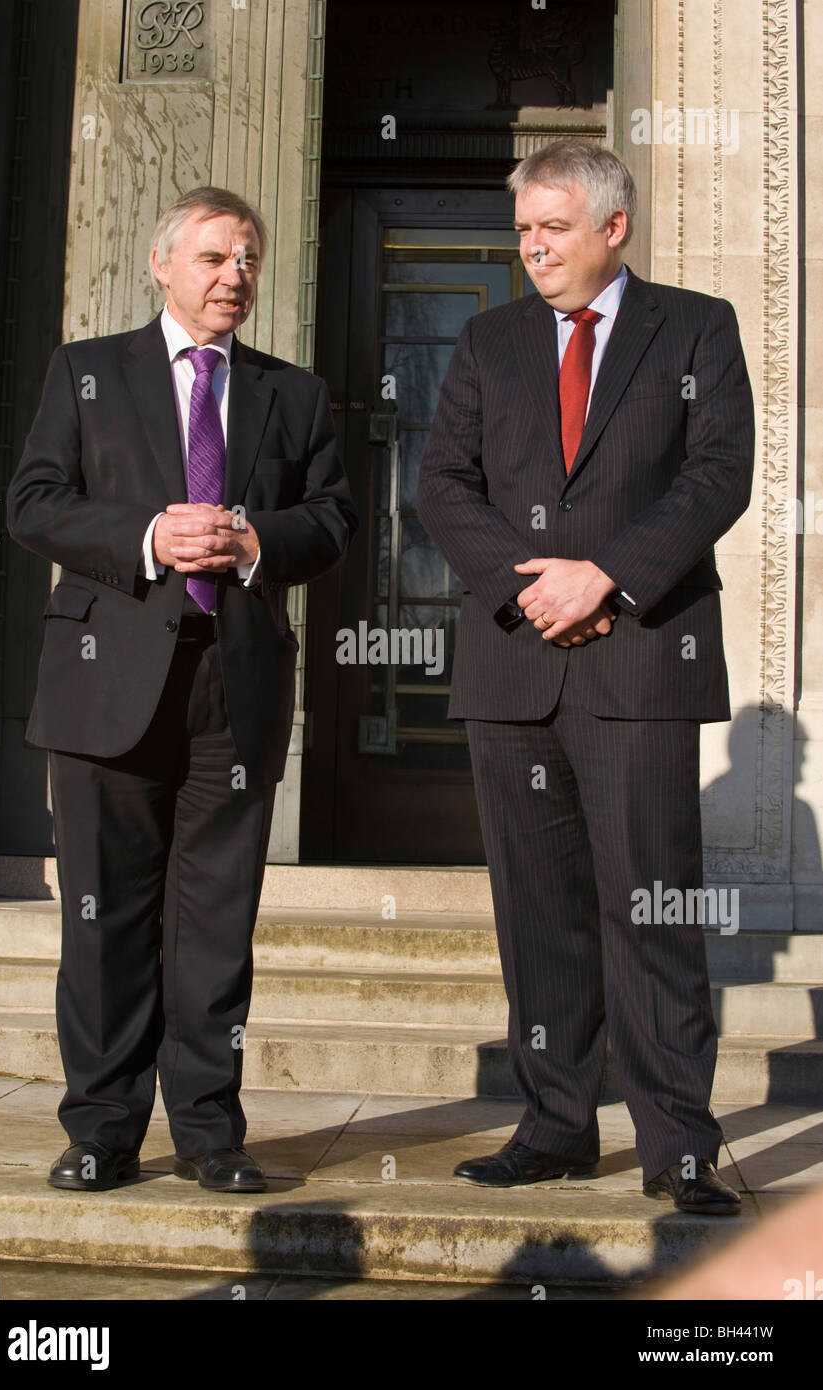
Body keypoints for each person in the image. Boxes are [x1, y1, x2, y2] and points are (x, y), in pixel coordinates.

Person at [418, 141, 754, 1215]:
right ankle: (555, 1126)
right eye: (522, 230)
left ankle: (677, 1146)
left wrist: (604, 576)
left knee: (649, 907)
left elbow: (717, 475)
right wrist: (527, 594)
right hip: (513, 668)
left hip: (641, 663)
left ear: (614, 228)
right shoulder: (484, 339)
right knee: (539, 914)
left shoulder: (695, 327)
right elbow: (442, 485)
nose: (531, 247)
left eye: (551, 227)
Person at [8, 187, 356, 1194]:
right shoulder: (87, 373)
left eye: (246, 258)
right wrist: (150, 537)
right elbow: (33, 503)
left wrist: (256, 542)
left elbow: (332, 520)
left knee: (214, 922)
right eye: (212, 257)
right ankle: (102, 1132)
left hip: (234, 687)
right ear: (162, 265)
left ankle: (209, 1133)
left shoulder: (294, 393)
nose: (233, 276)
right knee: (104, 914)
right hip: (103, 682)